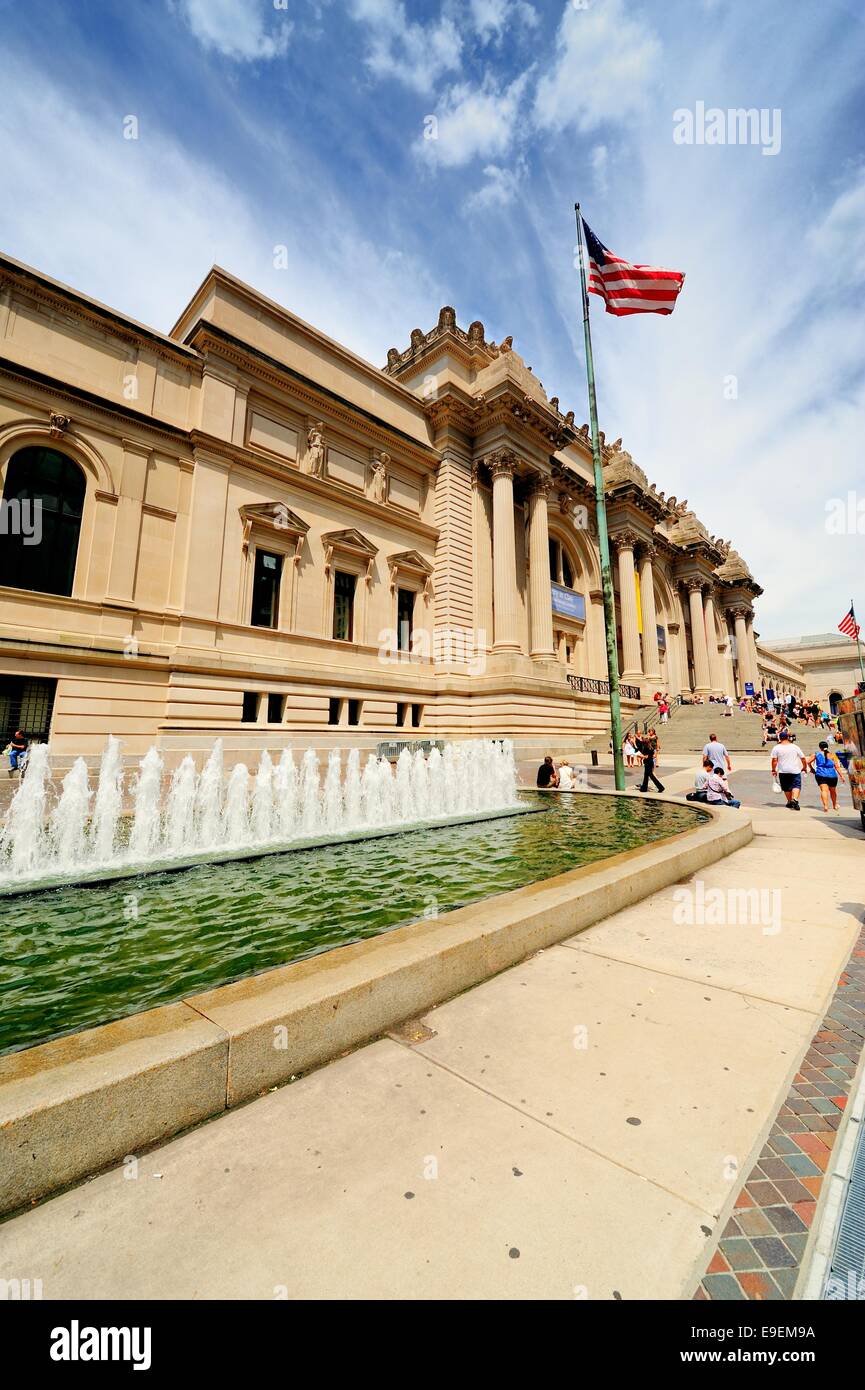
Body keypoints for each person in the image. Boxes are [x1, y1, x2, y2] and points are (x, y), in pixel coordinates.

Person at [771, 729, 808, 810]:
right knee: (796, 785)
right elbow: (803, 758)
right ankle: (794, 799)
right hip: (795, 770)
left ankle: (789, 801)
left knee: (786, 787)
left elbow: (774, 760)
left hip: (783, 771)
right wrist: (804, 767)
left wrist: (773, 770)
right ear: (788, 737)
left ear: (779, 738)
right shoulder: (795, 747)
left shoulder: (776, 748)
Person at [807, 740, 846, 813]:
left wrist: (812, 769)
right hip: (832, 776)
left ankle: (825, 806)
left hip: (821, 775)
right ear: (827, 747)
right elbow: (837, 767)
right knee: (833, 791)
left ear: (820, 747)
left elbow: (808, 762)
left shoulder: (816, 754)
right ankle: (834, 805)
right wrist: (842, 776)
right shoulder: (832, 755)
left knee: (824, 790)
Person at [636, 728, 664, 794]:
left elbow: (646, 756)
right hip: (649, 762)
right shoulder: (650, 748)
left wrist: (640, 756)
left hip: (648, 762)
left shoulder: (647, 748)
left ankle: (660, 787)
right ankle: (644, 788)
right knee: (646, 775)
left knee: (651, 775)